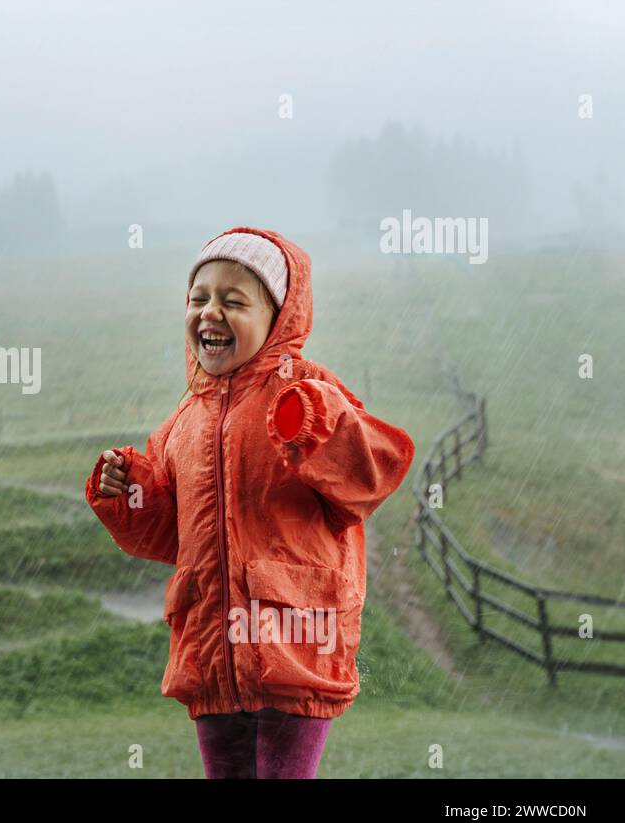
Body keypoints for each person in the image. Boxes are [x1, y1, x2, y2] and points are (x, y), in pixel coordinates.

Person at [85, 227, 415, 778]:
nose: (210, 312)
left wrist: (318, 427)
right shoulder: (181, 425)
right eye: (199, 298)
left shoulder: (310, 392)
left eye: (234, 301)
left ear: (279, 318)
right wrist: (131, 495)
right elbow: (173, 536)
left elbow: (373, 474)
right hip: (211, 654)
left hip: (295, 643)